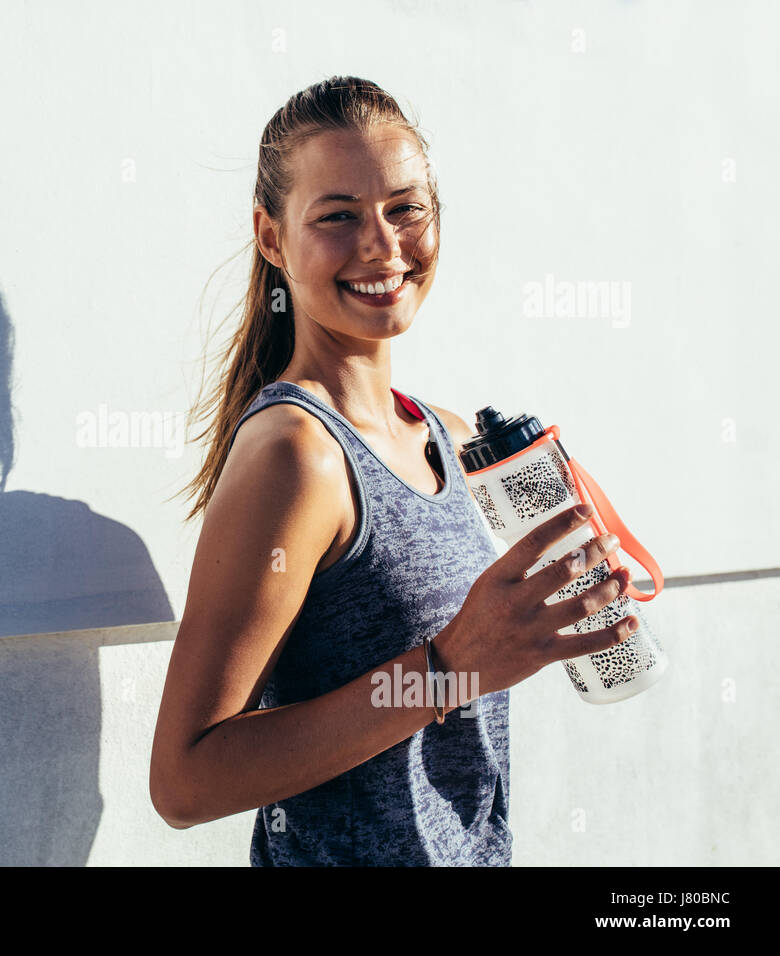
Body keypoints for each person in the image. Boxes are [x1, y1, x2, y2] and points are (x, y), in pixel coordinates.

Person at [149, 76, 639, 866]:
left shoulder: (448, 436)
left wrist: (559, 605)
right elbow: (185, 782)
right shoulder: (296, 455)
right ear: (272, 240)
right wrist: (445, 671)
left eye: (404, 208)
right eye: (338, 216)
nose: (381, 245)